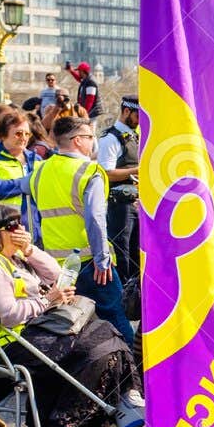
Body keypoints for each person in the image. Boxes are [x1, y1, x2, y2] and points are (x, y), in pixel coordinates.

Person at [0, 204, 135, 427]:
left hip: (39, 330)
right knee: (91, 348)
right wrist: (47, 301)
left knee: (105, 335)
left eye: (20, 224)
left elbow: (56, 274)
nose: (20, 229)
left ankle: (118, 402)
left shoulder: (16, 257)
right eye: (12, 226)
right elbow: (6, 312)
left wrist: (29, 249)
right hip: (10, 340)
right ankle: (62, 424)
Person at [32, 116, 135, 347]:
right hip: (91, 262)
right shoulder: (90, 170)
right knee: (116, 316)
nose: (93, 142)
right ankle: (135, 374)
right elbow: (95, 218)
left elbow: (34, 217)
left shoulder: (40, 170)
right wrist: (102, 259)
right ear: (78, 140)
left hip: (56, 266)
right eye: (90, 137)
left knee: (67, 323)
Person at [96, 96, 142, 295]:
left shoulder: (135, 136)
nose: (140, 120)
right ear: (126, 111)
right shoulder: (111, 139)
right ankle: (124, 297)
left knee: (136, 253)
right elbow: (106, 172)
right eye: (137, 115)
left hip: (136, 203)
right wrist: (139, 170)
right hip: (120, 206)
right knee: (123, 254)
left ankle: (135, 296)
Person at [0, 109, 40, 230]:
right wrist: (27, 182)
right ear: (3, 135)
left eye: (27, 134)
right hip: (3, 229)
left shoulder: (36, 159)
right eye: (18, 133)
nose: (24, 138)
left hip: (35, 230)